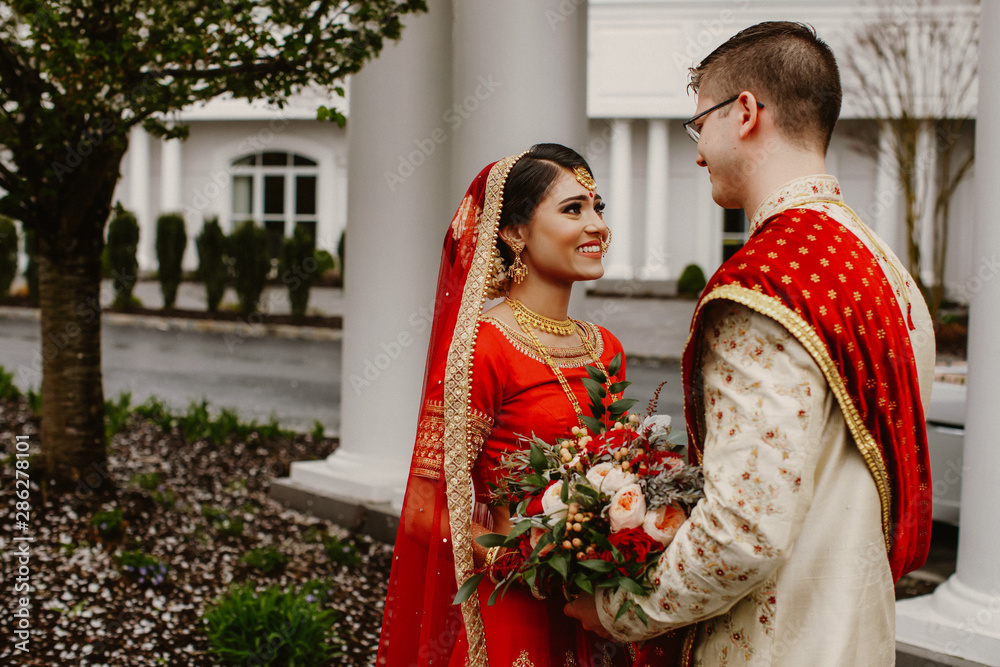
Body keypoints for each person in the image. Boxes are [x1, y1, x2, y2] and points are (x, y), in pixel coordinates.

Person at [565, 22, 936, 666]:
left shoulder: (768, 282)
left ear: (744, 113)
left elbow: (746, 529)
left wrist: (619, 610)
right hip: (860, 638)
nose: (699, 152)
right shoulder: (882, 266)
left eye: (698, 124)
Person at [377, 143, 632, 667]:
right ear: (514, 233)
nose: (597, 225)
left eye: (598, 206)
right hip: (513, 605)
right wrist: (524, 556)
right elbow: (428, 507)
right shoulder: (482, 345)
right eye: (572, 209)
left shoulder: (604, 347)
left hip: (595, 602)